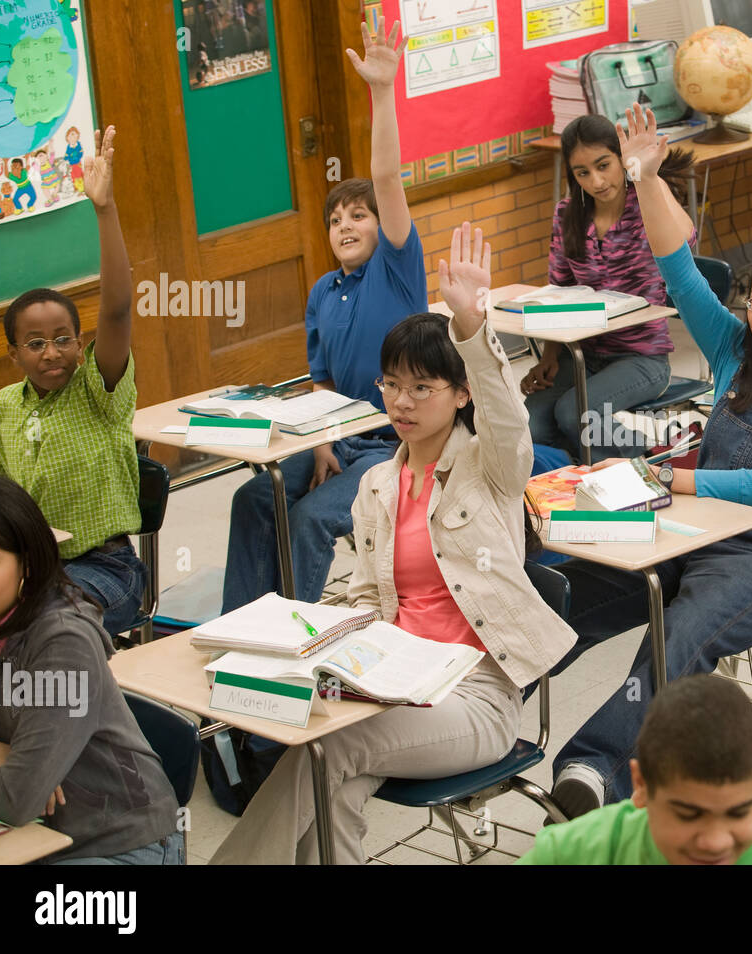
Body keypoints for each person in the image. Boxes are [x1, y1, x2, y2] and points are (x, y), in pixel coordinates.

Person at [210, 223, 578, 864]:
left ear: (460, 394)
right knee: (334, 781)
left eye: (421, 388)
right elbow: (364, 601)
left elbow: (507, 418)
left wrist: (472, 324)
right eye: (390, 385)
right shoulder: (377, 483)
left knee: (333, 749)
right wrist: (314, 647)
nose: (400, 402)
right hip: (396, 686)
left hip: (477, 698)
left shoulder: (488, 468)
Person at [548, 105, 752, 816]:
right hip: (689, 524)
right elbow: (677, 269)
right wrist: (645, 175)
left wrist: (674, 478)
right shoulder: (733, 349)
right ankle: (486, 719)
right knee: (566, 595)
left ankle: (594, 771)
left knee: (680, 632)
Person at [222, 16, 427, 613]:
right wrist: (318, 443)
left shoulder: (397, 269)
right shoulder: (322, 290)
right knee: (254, 500)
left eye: (359, 216)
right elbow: (323, 381)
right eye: (335, 220)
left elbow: (386, 176)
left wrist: (382, 92)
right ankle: (246, 629)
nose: (345, 226)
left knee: (311, 517)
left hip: (398, 448)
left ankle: (298, 640)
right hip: (339, 438)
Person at [0, 126, 145, 640]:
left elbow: (118, 307)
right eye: (35, 343)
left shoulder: (97, 389)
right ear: (13, 355)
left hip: (106, 569)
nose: (51, 351)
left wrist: (106, 209)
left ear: (81, 344)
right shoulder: (0, 410)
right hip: (30, 570)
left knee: (45, 622)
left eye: (63, 338)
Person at [0, 473, 180, 864]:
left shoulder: (63, 641)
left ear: (28, 561)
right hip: (29, 834)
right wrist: (4, 757)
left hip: (116, 846)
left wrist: (18, 770)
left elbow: (15, 798)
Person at [522, 114, 695, 460]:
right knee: (532, 427)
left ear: (622, 159)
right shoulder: (567, 214)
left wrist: (648, 175)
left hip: (642, 358)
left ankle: (654, 459)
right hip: (582, 355)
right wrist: (550, 358)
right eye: (583, 173)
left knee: (575, 414)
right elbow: (560, 288)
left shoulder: (647, 202)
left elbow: (686, 239)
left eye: (604, 165)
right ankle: (580, 481)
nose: (597, 181)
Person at [518, 675, 752, 864]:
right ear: (641, 786)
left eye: (738, 813)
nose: (714, 842)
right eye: (688, 814)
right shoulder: (576, 850)